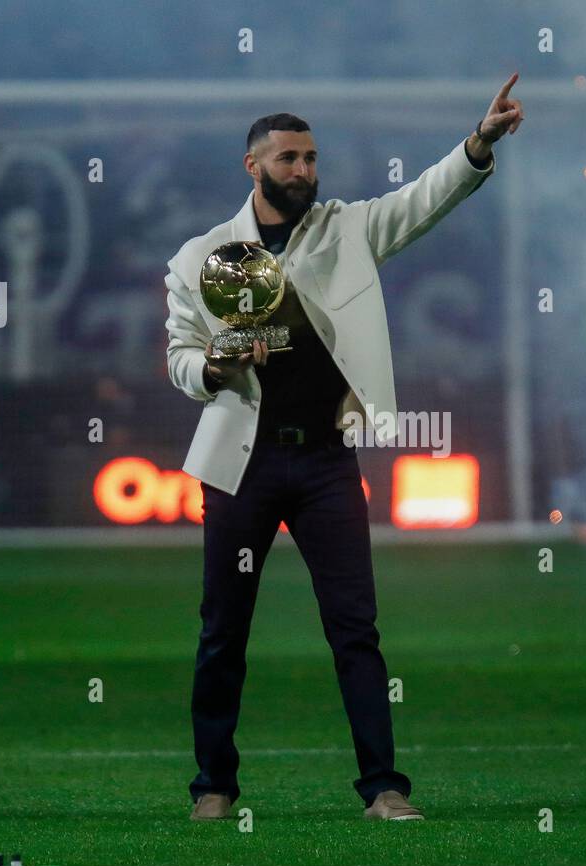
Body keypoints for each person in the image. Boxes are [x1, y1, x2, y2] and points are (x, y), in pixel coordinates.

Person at [164, 74, 525, 821]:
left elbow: (424, 199)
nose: (304, 170)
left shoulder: (347, 228)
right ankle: (214, 788)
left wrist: (477, 143)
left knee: (355, 628)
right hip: (243, 463)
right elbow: (178, 356)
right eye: (289, 158)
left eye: (311, 158)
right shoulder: (202, 255)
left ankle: (384, 789)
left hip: (327, 460)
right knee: (223, 630)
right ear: (252, 165)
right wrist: (213, 367)